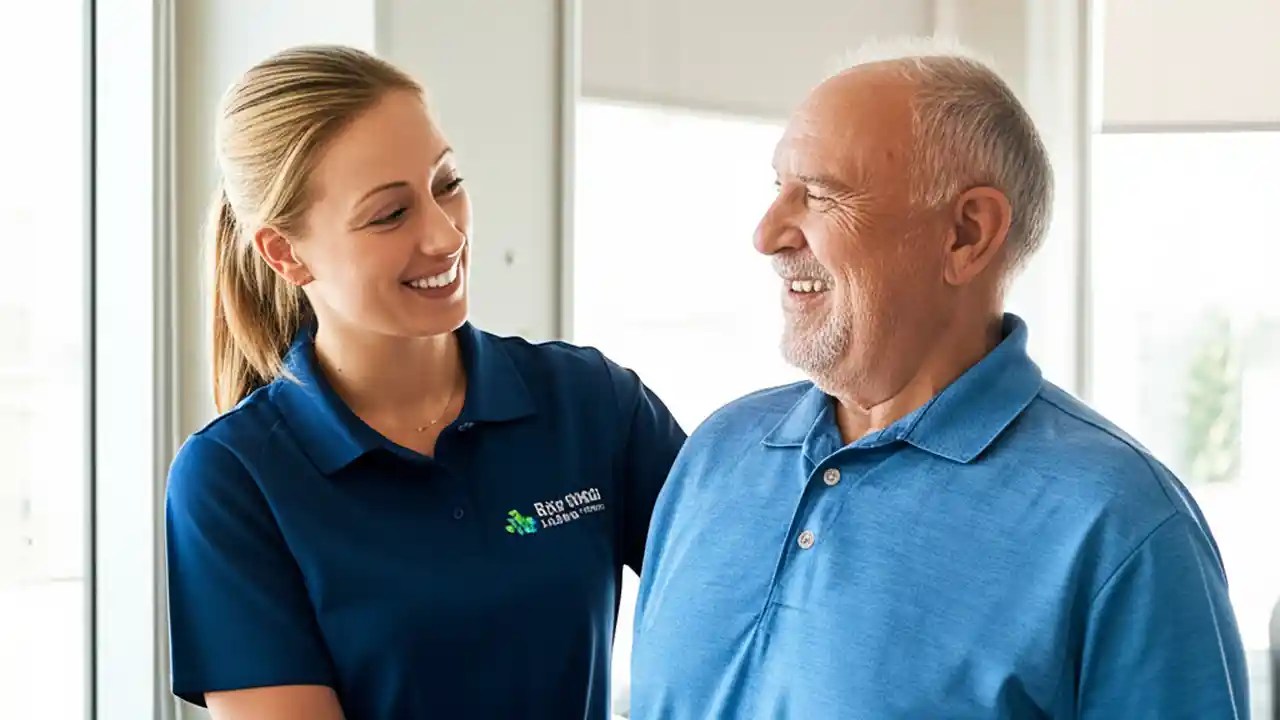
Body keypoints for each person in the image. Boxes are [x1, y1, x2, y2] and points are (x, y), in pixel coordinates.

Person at [630, 40, 1248, 719]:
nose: (769, 233)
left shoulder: (1122, 524)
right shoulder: (717, 455)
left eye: (821, 194)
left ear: (966, 234)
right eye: (778, 189)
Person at [165, 45, 685, 720]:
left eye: (447, 184)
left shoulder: (592, 403)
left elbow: (751, 605)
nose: (444, 236)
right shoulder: (233, 481)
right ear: (286, 253)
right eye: (389, 215)